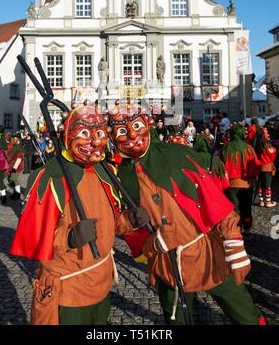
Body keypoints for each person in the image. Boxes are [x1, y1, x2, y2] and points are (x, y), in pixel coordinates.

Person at [109, 104, 266, 325]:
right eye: (122, 131)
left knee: (243, 311)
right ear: (112, 136)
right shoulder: (120, 175)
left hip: (208, 255)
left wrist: (234, 243)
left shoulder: (177, 154)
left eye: (135, 126)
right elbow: (117, 224)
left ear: (146, 126)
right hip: (167, 265)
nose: (132, 134)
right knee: (176, 319)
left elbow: (213, 200)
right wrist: (135, 225)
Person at [10, 104, 148, 325]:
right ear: (68, 135)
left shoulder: (106, 171)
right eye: (85, 134)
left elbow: (110, 224)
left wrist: (129, 220)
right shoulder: (50, 178)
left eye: (100, 133)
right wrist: (69, 238)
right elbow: (34, 237)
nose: (95, 141)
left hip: (102, 285)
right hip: (69, 289)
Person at [221, 124, 260, 234]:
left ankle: (235, 232)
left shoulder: (226, 148)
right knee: (247, 208)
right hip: (247, 184)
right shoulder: (249, 148)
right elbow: (255, 166)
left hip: (231, 185)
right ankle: (247, 231)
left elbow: (221, 167)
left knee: (234, 209)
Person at [247, 119, 277, 208]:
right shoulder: (266, 146)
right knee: (267, 184)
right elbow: (273, 153)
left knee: (259, 183)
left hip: (258, 166)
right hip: (266, 167)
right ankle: (268, 202)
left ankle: (261, 201)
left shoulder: (255, 147)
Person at [7, 133, 25, 200]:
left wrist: (15, 167)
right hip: (11, 166)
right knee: (12, 180)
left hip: (17, 167)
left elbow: (19, 158)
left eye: (14, 138)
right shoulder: (12, 146)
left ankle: (17, 194)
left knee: (16, 180)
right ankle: (15, 193)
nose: (13, 140)